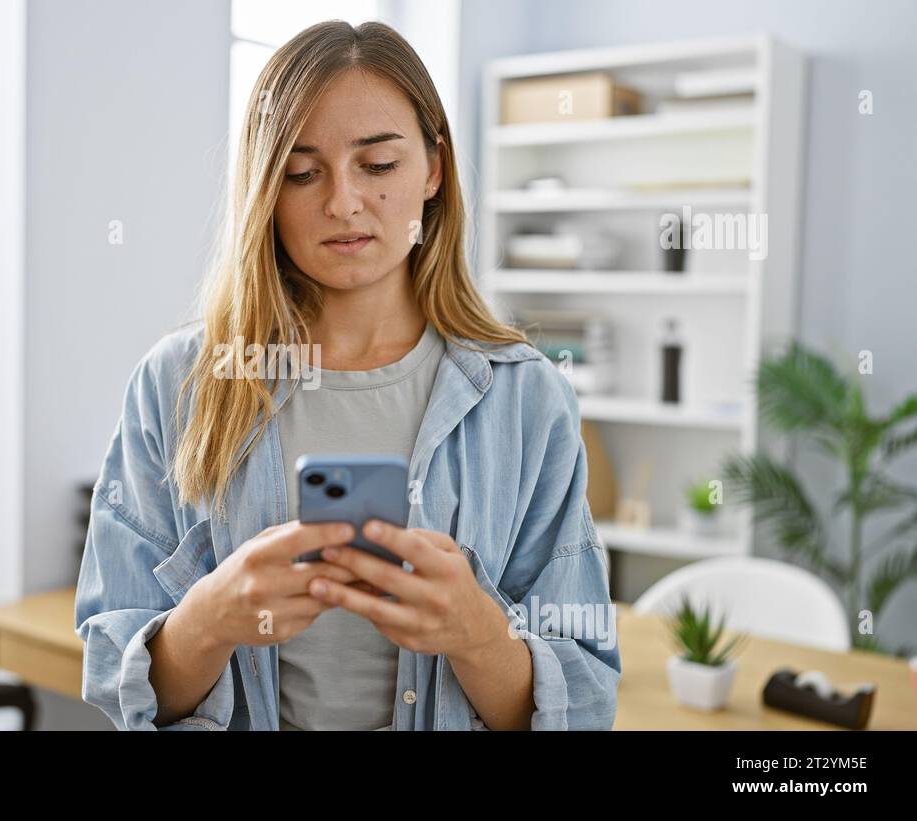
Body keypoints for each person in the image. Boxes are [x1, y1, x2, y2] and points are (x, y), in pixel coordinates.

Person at [74, 20, 620, 731]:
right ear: (267, 190)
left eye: (378, 164)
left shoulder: (526, 398)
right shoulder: (178, 384)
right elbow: (119, 687)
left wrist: (478, 633)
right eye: (302, 172)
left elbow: (582, 707)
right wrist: (210, 618)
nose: (341, 202)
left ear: (433, 170)